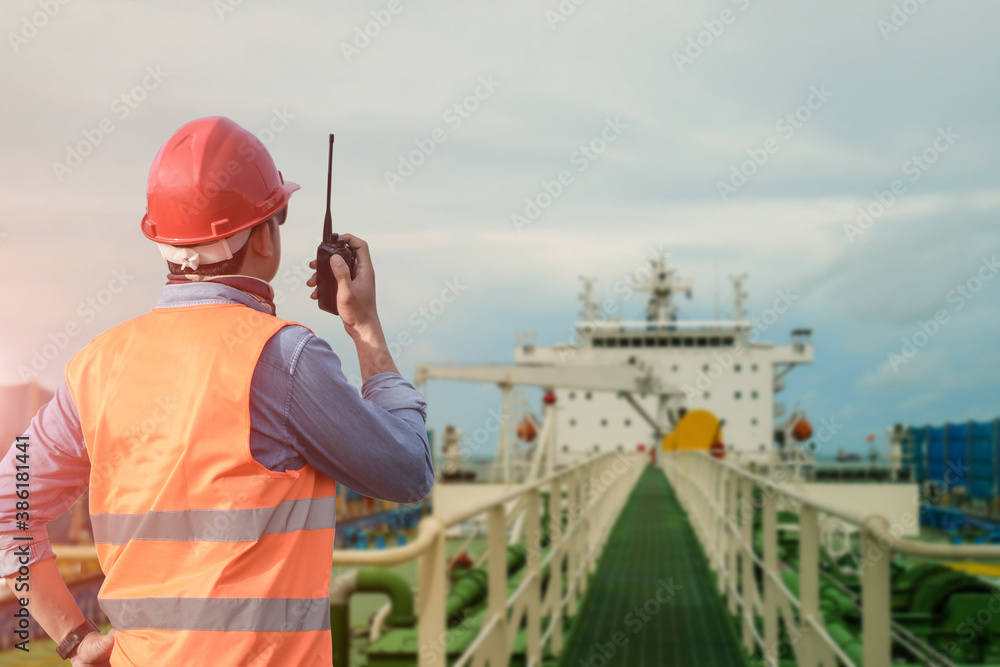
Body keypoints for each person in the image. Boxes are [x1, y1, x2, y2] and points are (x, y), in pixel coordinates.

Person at [0, 116, 434, 666]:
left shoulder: (94, 365)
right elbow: (407, 470)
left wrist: (73, 638)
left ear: (160, 240)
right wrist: (366, 330)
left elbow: (8, 501)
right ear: (261, 235)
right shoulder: (284, 356)